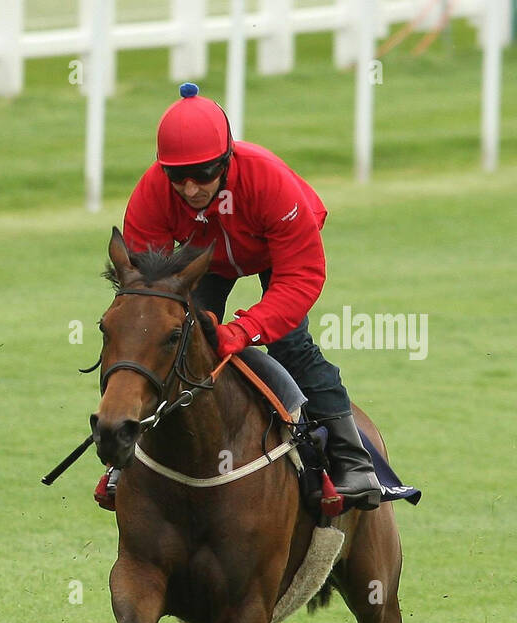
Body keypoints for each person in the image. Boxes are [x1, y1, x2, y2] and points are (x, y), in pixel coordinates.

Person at [97, 82, 380, 513]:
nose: (191, 189)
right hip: (203, 256)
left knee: (289, 344)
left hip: (271, 250)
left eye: (204, 174)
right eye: (178, 178)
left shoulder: (267, 179)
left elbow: (301, 275)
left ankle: (351, 457)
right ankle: (128, 452)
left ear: (226, 160)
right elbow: (144, 294)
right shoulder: (152, 193)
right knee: (168, 343)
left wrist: (245, 329)